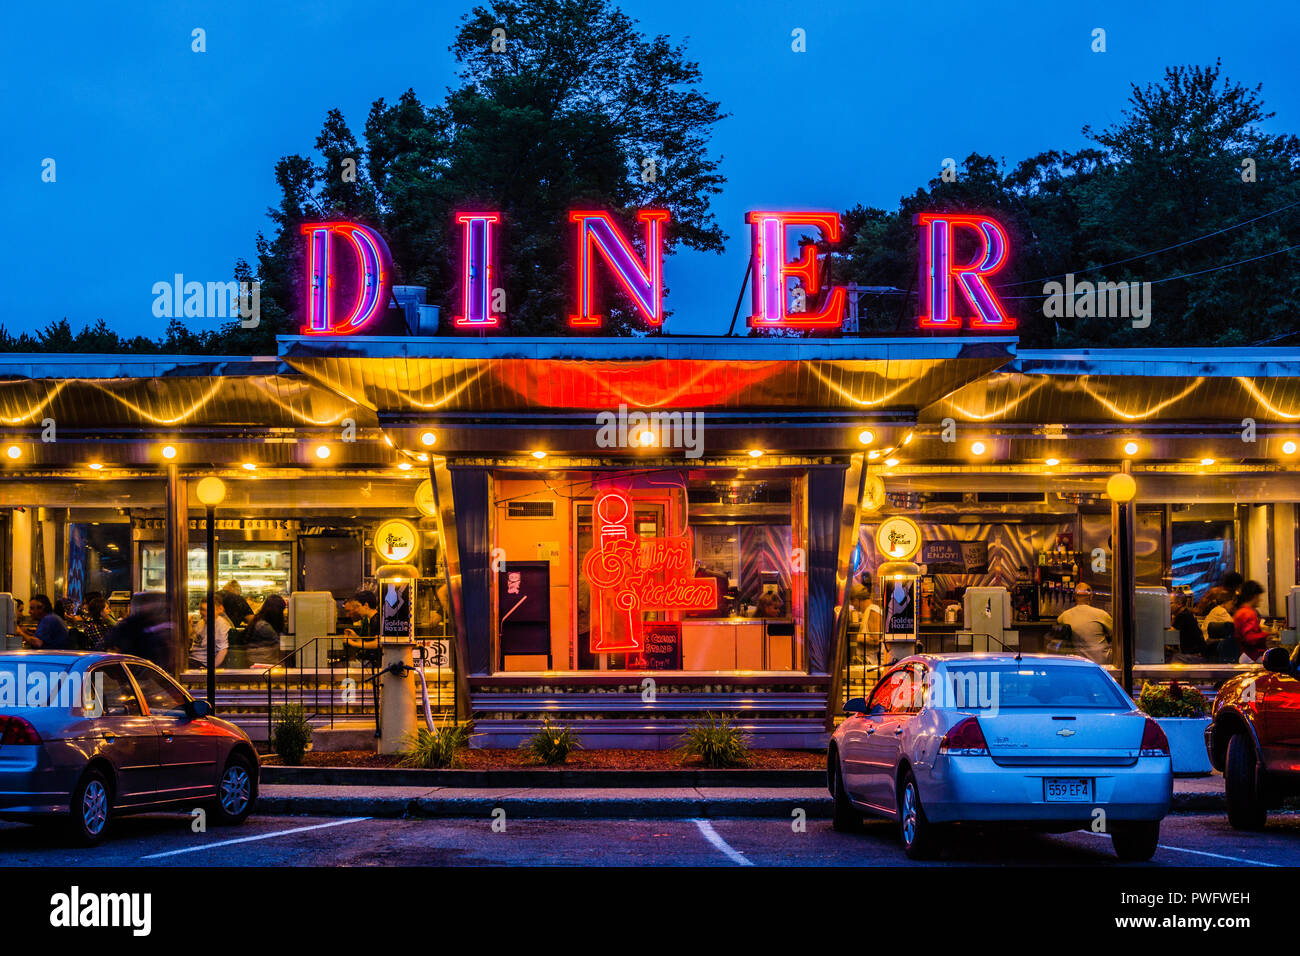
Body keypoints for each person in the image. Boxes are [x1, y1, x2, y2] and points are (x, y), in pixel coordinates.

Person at [1057, 583, 1113, 664]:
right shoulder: (1102, 614)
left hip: (1079, 663)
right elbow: (1115, 635)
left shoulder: (1063, 616)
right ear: (1091, 597)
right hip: (1102, 663)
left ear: (1074, 597)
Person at [1233, 580, 1277, 664]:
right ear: (1254, 596)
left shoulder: (1241, 611)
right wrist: (1268, 634)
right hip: (1252, 657)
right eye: (1258, 596)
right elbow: (1250, 638)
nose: (1260, 600)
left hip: (1246, 655)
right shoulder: (1249, 613)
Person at [190, 598, 230, 669]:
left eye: (208, 610)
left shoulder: (220, 624)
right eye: (202, 609)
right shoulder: (201, 622)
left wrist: (209, 670)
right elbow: (193, 641)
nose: (204, 613)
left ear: (219, 609)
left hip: (201, 664)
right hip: (192, 660)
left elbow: (223, 650)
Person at [1170, 591, 1208, 661]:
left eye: (1170, 603)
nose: (1167, 606)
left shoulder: (1183, 616)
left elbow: (1170, 635)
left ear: (1179, 604)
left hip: (1195, 656)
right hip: (1197, 654)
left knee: (1170, 659)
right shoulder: (1186, 613)